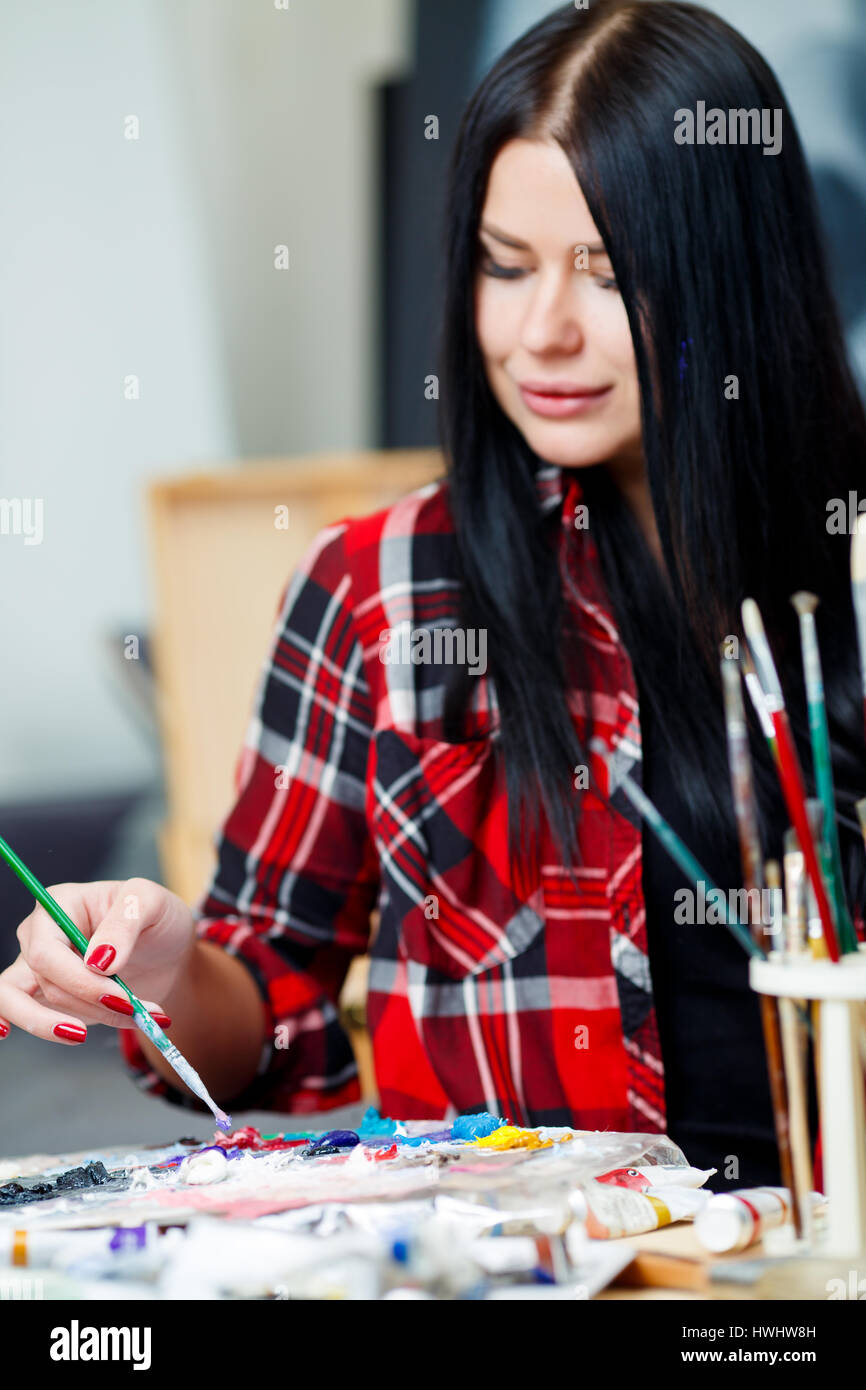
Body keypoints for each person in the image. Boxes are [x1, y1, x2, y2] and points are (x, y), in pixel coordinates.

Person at [3, 0, 865, 1188]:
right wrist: (158, 972)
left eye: (606, 275)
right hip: (562, 1265)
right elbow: (265, 1017)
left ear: (733, 273)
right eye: (502, 268)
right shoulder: (379, 586)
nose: (537, 333)